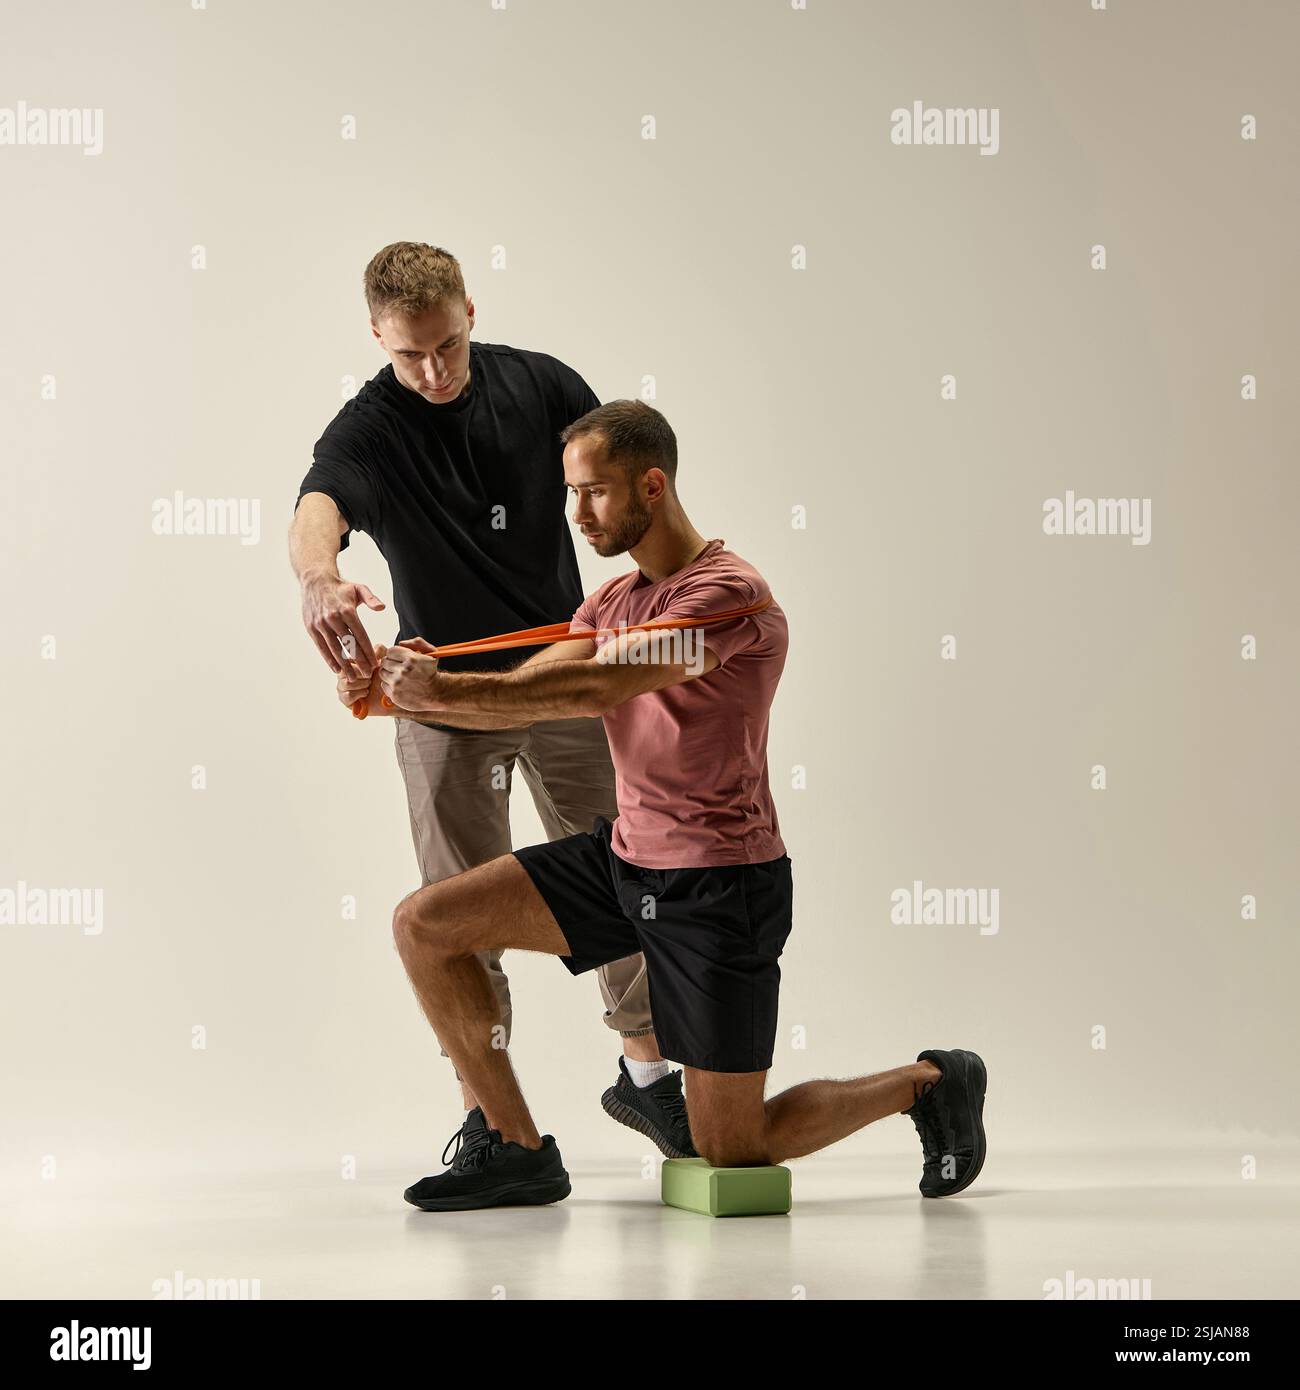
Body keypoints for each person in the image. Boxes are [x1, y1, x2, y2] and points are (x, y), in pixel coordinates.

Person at [339, 399, 988, 1211]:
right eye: (569, 494)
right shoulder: (608, 602)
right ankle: (516, 1146)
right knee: (424, 924)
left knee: (731, 1148)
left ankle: (928, 1083)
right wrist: (395, 695)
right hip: (623, 862)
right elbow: (533, 689)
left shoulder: (728, 596)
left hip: (718, 888)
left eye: (595, 493)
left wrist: (438, 688)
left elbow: (597, 683)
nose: (576, 514)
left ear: (653, 486)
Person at [289, 242, 694, 1168]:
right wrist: (320, 577)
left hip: (562, 676)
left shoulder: (546, 388)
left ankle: (650, 1084)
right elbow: (318, 501)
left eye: (447, 347)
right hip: (443, 701)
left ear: (471, 310)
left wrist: (671, 603)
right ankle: (493, 1122)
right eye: (407, 356)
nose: (431, 373)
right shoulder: (371, 428)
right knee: (454, 914)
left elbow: (620, 491)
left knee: (630, 876)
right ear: (377, 338)